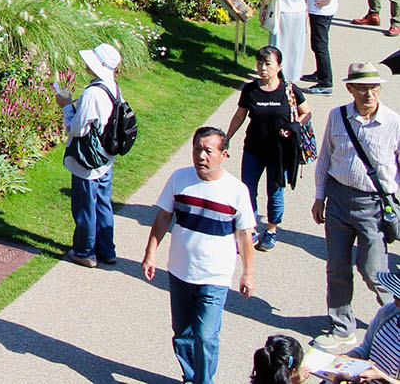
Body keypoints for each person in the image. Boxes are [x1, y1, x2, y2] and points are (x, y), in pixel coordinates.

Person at [141, 127, 257, 384]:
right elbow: (164, 216)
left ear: (224, 155)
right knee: (182, 333)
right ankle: (191, 377)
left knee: (205, 336)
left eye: (208, 151)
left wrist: (248, 273)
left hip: (214, 277)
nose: (201, 156)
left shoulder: (236, 191)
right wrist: (150, 252)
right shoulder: (179, 179)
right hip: (180, 271)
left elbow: (244, 235)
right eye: (197, 149)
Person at [311, 63, 400, 352]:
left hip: (374, 205)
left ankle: (396, 319)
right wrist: (320, 197)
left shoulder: (394, 122)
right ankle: (342, 328)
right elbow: (325, 157)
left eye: (374, 88)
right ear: (350, 89)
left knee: (374, 270)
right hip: (338, 199)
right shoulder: (337, 116)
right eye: (362, 88)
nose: (369, 94)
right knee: (337, 267)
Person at [226, 47, 312, 251]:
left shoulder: (289, 90)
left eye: (267, 64)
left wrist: (294, 126)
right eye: (259, 64)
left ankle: (272, 230)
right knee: (248, 191)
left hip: (280, 153)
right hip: (253, 150)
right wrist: (227, 138)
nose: (263, 68)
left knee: (275, 193)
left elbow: (307, 113)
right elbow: (239, 116)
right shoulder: (250, 90)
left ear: (279, 67)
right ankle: (250, 229)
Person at [53, 42, 124, 267]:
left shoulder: (93, 93)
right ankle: (106, 249)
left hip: (87, 158)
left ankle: (84, 252)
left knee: (84, 207)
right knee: (103, 203)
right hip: (105, 156)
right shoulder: (113, 87)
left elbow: (77, 129)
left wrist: (66, 106)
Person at [265, 0, 314, 86]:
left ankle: (276, 73)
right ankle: (292, 75)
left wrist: (263, 7)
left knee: (278, 43)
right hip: (299, 11)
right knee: (295, 45)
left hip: (282, 10)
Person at [346, 267, 400, 380]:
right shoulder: (388, 311)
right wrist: (346, 359)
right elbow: (366, 348)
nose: (394, 297)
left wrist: (384, 378)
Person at [308, 0, 347, 95]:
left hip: (321, 9)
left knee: (320, 45)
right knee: (318, 43)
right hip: (325, 8)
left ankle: (326, 82)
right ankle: (320, 72)